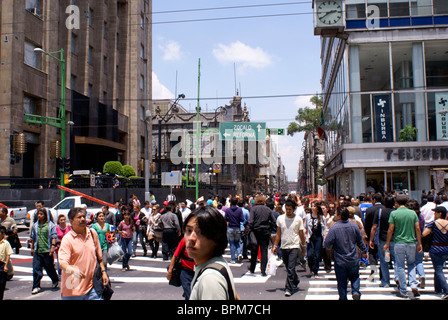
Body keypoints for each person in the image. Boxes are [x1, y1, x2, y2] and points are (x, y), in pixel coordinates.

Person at [185, 205, 238, 300]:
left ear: (216, 239)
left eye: (200, 232)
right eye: (188, 230)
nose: (191, 238)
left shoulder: (210, 279)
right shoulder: (217, 264)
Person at [58, 207, 109, 300]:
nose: (82, 219)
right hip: (72, 290)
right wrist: (72, 270)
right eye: (79, 217)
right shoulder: (67, 239)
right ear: (71, 221)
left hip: (92, 288)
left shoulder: (92, 233)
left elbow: (99, 257)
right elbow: (62, 263)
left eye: (83, 217)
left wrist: (104, 272)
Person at [324, 206, 368, 300]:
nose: (334, 215)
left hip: (340, 259)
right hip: (353, 257)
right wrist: (364, 251)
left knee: (341, 281)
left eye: (336, 213)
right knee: (355, 276)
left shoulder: (334, 227)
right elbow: (360, 241)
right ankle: (355, 291)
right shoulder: (354, 226)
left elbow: (327, 243)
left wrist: (331, 246)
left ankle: (343, 297)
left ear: (339, 216)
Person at [384, 194, 422, 299]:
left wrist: (387, 243)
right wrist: (419, 242)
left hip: (399, 242)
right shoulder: (412, 213)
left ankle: (403, 290)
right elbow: (418, 228)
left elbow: (391, 229)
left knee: (400, 266)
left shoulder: (394, 213)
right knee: (411, 264)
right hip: (411, 242)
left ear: (396, 202)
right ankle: (413, 285)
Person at [272, 200, 306, 296]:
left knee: (291, 268)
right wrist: (275, 246)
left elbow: (301, 234)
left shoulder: (298, 219)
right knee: (288, 267)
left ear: (294, 209)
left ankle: (289, 288)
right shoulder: (280, 218)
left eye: (290, 209)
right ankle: (295, 280)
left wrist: (303, 247)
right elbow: (278, 233)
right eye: (286, 209)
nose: (288, 211)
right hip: (284, 246)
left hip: (294, 246)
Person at [29, 208, 59, 294]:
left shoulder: (51, 225)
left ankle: (55, 280)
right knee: (36, 269)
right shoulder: (35, 225)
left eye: (41, 214)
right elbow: (33, 238)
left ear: (46, 215)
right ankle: (36, 286)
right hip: (37, 251)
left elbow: (54, 236)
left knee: (49, 268)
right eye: (38, 214)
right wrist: (32, 248)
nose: (39, 216)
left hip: (47, 251)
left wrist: (53, 247)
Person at [369, 194, 397, 288]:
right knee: (397, 261)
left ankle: (385, 281)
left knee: (383, 261)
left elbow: (374, 227)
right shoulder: (396, 212)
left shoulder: (380, 211)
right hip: (395, 239)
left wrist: (371, 239)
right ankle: (397, 277)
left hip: (382, 239)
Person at [422, 206, 448, 299]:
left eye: (435, 212)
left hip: (435, 248)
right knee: (438, 267)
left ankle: (446, 290)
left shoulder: (433, 224)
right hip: (446, 248)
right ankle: (437, 289)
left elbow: (424, 234)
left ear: (440, 213)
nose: (434, 214)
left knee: (438, 269)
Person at [247, 195, 277, 276]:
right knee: (264, 251)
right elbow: (274, 221)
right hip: (265, 232)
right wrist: (269, 226)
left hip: (255, 231)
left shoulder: (253, 209)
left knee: (254, 251)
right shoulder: (268, 209)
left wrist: (249, 230)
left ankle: (252, 268)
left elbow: (251, 221)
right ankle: (263, 270)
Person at [305, 201, 327, 278]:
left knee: (317, 255)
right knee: (310, 254)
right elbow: (305, 227)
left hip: (318, 237)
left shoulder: (321, 217)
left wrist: (324, 237)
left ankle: (315, 271)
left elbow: (324, 228)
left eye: (314, 206)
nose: (312, 207)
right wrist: (305, 236)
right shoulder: (308, 216)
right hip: (310, 237)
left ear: (317, 208)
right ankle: (311, 268)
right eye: (312, 206)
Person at [225, 198, 245, 264]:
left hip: (230, 227)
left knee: (232, 244)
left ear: (230, 202)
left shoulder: (228, 210)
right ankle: (239, 253)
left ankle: (233, 259)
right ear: (237, 203)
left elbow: (225, 218)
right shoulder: (239, 210)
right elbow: (242, 219)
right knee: (238, 242)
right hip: (237, 227)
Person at [0, 226, 13, 300]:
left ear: (2, 234)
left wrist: (6, 265)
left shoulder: (5, 243)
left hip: (2, 264)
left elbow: (8, 254)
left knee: (2, 283)